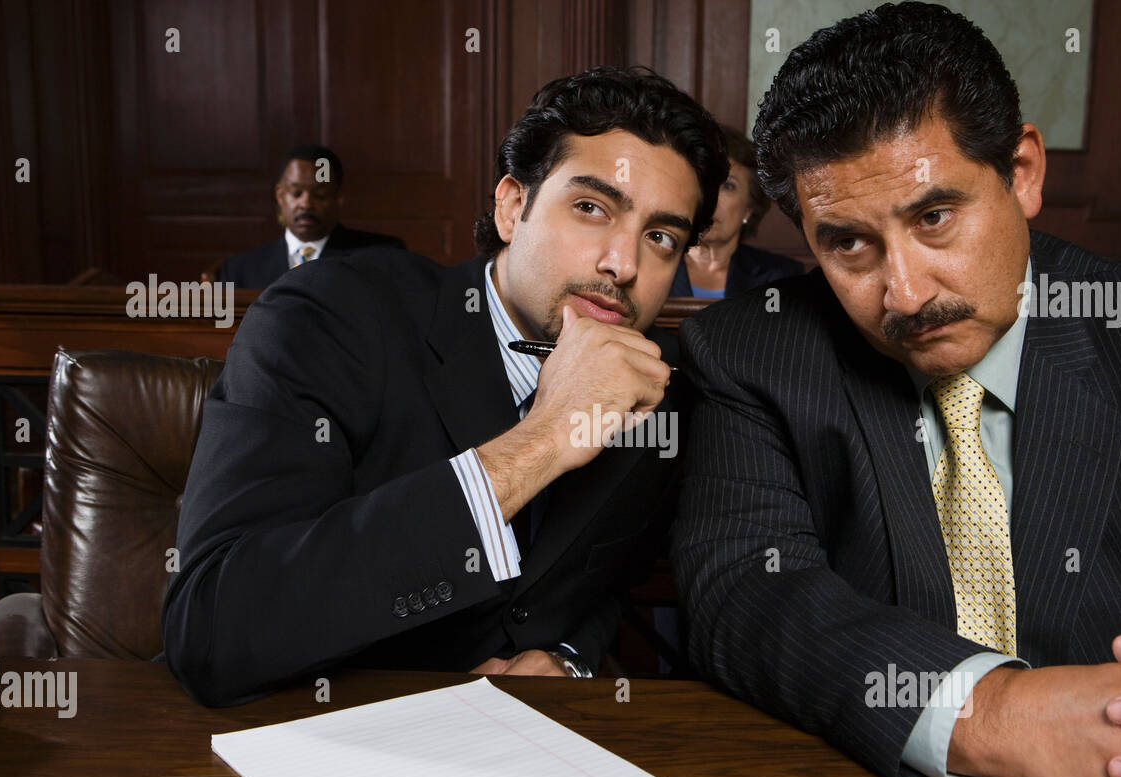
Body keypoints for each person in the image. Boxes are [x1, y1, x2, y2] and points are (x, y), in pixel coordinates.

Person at [673, 1, 1121, 777]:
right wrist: (998, 715)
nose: (906, 292)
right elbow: (743, 596)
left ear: (1023, 171)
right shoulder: (752, 350)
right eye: (847, 244)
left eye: (934, 217)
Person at [164, 67, 727, 705]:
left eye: (660, 237)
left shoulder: (660, 384)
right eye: (591, 208)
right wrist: (543, 440)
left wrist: (569, 662)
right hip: (305, 736)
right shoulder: (329, 315)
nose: (622, 264)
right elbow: (211, 630)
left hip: (523, 761)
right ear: (513, 207)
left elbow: (598, 579)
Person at [216, 144, 405, 288]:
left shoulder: (382, 257)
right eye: (296, 193)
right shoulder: (239, 271)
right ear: (280, 195)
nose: (306, 204)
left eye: (320, 195)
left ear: (338, 197)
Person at [669, 124, 803, 299]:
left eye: (728, 186)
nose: (712, 198)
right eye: (704, 181)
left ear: (748, 209)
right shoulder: (650, 264)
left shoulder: (781, 276)